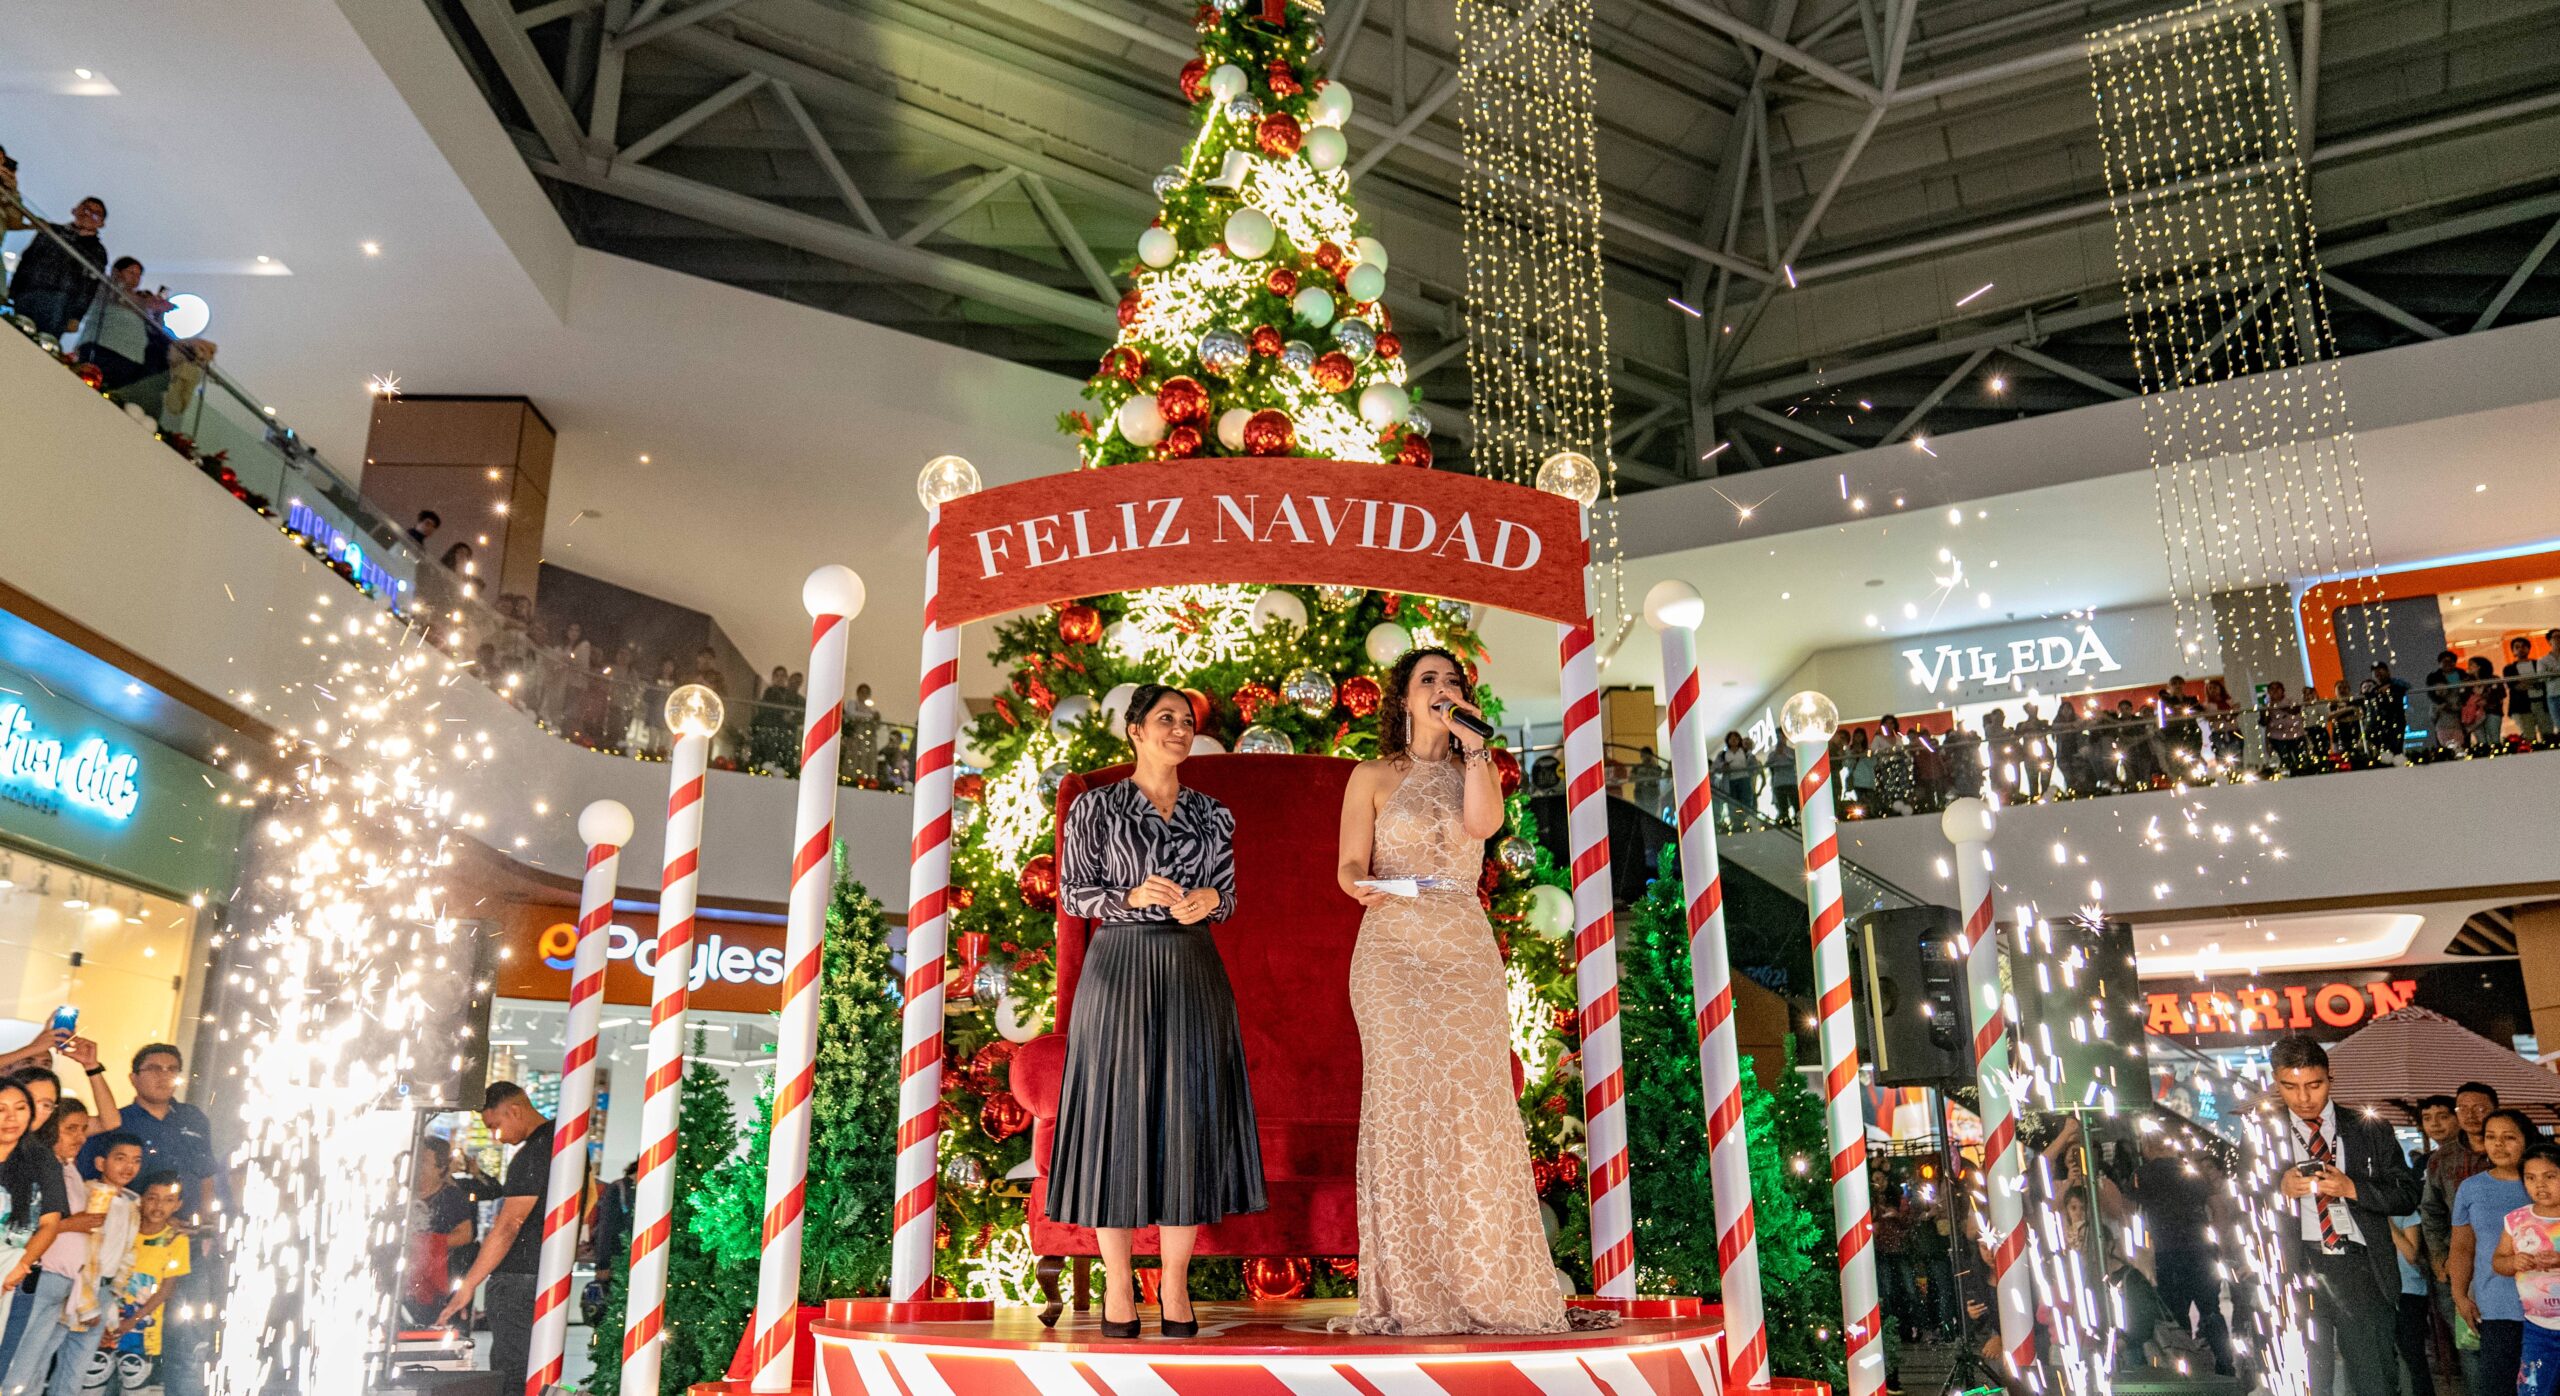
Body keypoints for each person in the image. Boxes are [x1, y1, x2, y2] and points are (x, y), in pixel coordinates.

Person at [1335, 648, 1583, 1335]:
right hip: (1392, 947)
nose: (1443, 690)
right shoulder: (1373, 775)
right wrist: (1366, 885)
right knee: (1404, 1103)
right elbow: (1349, 866)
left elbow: (1481, 828)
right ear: (1404, 700)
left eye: (1453, 681)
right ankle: (1413, 1291)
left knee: (1475, 1107)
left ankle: (1483, 1281)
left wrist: (1475, 751)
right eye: (1428, 681)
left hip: (1462, 947)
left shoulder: (1478, 767)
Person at [1050, 684, 1258, 1338]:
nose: (1178, 729)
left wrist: (1207, 903)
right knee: (1115, 1122)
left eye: (1186, 721)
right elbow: (1073, 893)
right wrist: (1131, 893)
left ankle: (1173, 1283)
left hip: (1195, 966)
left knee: (1188, 1120)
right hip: (1119, 969)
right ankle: (1117, 1281)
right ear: (1135, 730)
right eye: (1164, 719)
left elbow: (1224, 895)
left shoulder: (1213, 814)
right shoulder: (1095, 807)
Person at [2265, 1034, 2420, 1396]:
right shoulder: (2262, 1133)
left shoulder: (2369, 1127)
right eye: (2291, 1087)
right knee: (2305, 1381)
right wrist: (2278, 1189)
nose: (2304, 1098)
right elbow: (2238, 1200)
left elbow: (2408, 1195)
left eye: (2314, 1085)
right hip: (2297, 1269)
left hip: (2361, 1267)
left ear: (2330, 1079)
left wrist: (2353, 1189)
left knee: (2375, 1380)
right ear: (2277, 1084)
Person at [433, 1083, 554, 1390]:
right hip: (539, 1273)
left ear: (514, 1110)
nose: (494, 1136)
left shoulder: (534, 1154)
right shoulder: (562, 1145)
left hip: (517, 1277)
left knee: (512, 1372)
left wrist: (470, 1283)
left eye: (495, 1125)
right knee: (531, 1367)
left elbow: (509, 1224)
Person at [0, 1097, 95, 1389]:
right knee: (15, 1361)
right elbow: (34, 1225)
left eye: (84, 1129)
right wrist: (74, 1223)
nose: (80, 1137)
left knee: (34, 1368)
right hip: (36, 1276)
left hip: (62, 1283)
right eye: (71, 1128)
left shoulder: (71, 1170)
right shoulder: (37, 1170)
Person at [45, 1131, 142, 1396]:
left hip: (104, 1293)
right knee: (43, 1357)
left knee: (76, 1368)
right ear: (101, 1163)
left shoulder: (133, 1205)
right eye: (120, 1158)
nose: (128, 1166)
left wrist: (111, 1302)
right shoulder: (89, 1195)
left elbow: (127, 1256)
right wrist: (88, 1306)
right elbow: (83, 1254)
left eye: (136, 1160)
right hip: (76, 1291)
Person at [2456, 1109, 2543, 1396]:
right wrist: (2459, 1295)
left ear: (2526, 1140)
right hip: (2496, 1306)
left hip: (2549, 1308)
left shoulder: (2546, 1185)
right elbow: (2462, 1246)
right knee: (2498, 1387)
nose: (2499, 1145)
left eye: (2509, 1137)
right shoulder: (2471, 1188)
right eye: (2491, 1137)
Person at [2137, 1130, 2233, 1374]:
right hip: (2202, 1249)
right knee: (2211, 1309)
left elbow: (2129, 1213)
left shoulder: (2143, 1175)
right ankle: (2223, 1365)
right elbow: (2219, 1209)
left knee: (2175, 1315)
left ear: (2148, 1146)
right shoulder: (2193, 1172)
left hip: (2168, 1252)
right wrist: (2219, 1243)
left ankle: (2182, 1369)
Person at [2428, 1085, 2497, 1392]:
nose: (2470, 1115)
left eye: (2479, 1108)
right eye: (2462, 1109)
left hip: (2509, 1265)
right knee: (2472, 1349)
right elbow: (2431, 1212)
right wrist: (2440, 1257)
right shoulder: (2443, 1159)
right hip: (2460, 1268)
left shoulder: (2514, 1150)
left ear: (2495, 1108)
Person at [101, 1173, 188, 1378]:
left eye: (169, 1200)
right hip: (103, 1324)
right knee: (93, 1381)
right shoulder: (125, 1230)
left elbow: (166, 1289)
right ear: (141, 1199)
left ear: (178, 1205)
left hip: (142, 1333)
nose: (159, 1206)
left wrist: (133, 1320)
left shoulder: (175, 1240)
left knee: (136, 1385)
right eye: (152, 1198)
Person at [0, 1080, 63, 1364]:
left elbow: (50, 1223)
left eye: (20, 1108)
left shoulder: (41, 1159)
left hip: (14, 1270)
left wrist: (20, 1264)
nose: (11, 1118)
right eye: (0, 1109)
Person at [2495, 1143, 2560, 1395]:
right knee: (2532, 1389)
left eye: (2550, 1176)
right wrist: (2513, 1262)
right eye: (2531, 1178)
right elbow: (2499, 1260)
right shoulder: (2516, 1220)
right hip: (2538, 1329)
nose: (2540, 1185)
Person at [5, 197, 108, 339]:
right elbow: (28, 259)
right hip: (28, 292)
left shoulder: (98, 251)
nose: (88, 214)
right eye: (86, 209)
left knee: (42, 343)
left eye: (96, 213)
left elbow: (90, 287)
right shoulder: (52, 231)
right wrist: (13, 289)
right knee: (11, 336)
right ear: (75, 210)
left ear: (101, 223)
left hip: (61, 303)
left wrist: (77, 316)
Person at [406, 1138, 476, 1326]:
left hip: (438, 1282)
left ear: (440, 1168)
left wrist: (427, 1244)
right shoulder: (402, 1193)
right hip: (406, 1280)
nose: (417, 1165)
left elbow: (465, 1234)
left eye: (424, 1161)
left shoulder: (451, 1196)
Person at [76, 259, 169, 393]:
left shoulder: (141, 301)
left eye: (138, 275)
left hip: (131, 359)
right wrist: (147, 303)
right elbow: (120, 297)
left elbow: (155, 328)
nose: (135, 278)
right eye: (131, 272)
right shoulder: (107, 285)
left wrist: (158, 311)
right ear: (116, 272)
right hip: (102, 349)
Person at [2392, 1206, 2433, 1396]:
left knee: (2413, 1356)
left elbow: (2412, 1255)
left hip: (2410, 1291)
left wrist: (2388, 1226)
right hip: (2385, 1291)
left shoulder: (2405, 1210)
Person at [1711, 731, 1760, 826]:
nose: (1734, 740)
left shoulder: (1745, 752)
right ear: (1728, 741)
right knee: (1733, 802)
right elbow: (1715, 767)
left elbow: (1754, 765)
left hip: (1744, 778)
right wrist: (1723, 766)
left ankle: (1748, 821)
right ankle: (1736, 823)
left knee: (1746, 801)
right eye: (1731, 738)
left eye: (1736, 738)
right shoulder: (1723, 754)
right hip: (1731, 781)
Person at [2365, 663, 2413, 756]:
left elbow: (2407, 686)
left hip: (2395, 721)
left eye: (2380, 672)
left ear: (2387, 672)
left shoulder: (2397, 683)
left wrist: (2390, 687)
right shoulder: (2373, 690)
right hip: (2379, 725)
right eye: (2376, 674)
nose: (2378, 675)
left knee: (2396, 749)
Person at [2260, 680, 2308, 772]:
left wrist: (2278, 706)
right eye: (2272, 689)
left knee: (2302, 760)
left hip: (2296, 735)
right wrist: (2266, 709)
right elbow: (2263, 722)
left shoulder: (2290, 700)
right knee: (2286, 762)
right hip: (2278, 738)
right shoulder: (2267, 706)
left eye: (2277, 688)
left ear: (2282, 690)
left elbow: (2294, 710)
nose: (2275, 691)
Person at [2506, 638, 2547, 743]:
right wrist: (2534, 681)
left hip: (2541, 703)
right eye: (2517, 647)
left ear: (2528, 648)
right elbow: (2516, 686)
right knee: (2529, 736)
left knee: (2547, 734)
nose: (2521, 649)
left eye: (2523, 646)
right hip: (2522, 706)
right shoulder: (2509, 668)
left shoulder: (2538, 663)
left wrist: (2526, 681)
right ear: (2513, 651)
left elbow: (2543, 682)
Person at [1873, 714, 1916, 814]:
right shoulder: (1878, 738)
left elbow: (1904, 751)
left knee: (1902, 788)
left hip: (1900, 766)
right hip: (1886, 766)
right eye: (1886, 723)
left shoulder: (1898, 738)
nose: (1889, 725)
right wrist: (1887, 751)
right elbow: (1873, 751)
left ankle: (1904, 807)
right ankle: (1891, 809)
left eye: (1891, 723)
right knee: (1889, 789)